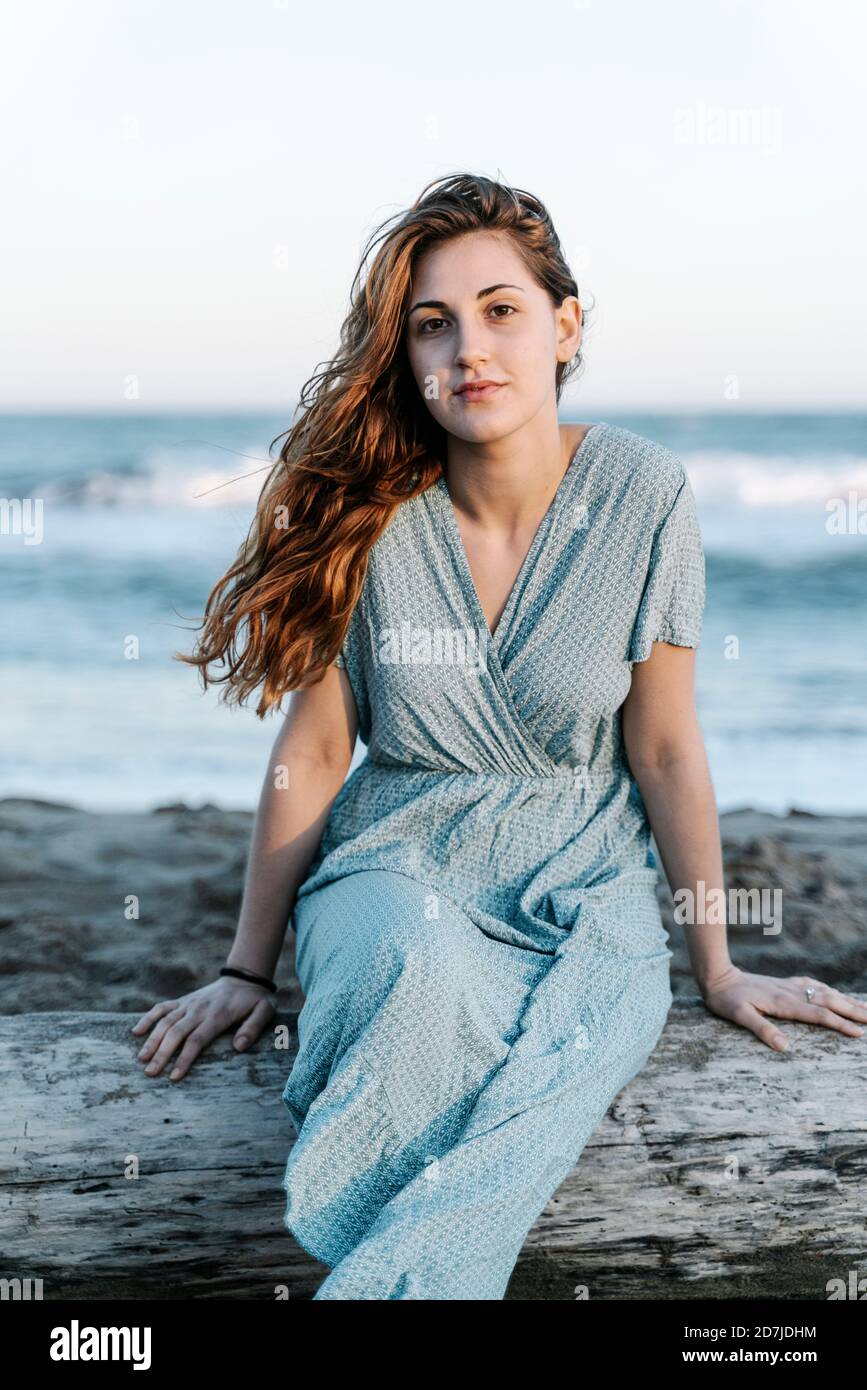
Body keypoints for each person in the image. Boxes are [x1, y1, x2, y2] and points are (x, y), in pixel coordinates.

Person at [132, 172, 867, 1300]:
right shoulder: (364, 512)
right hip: (395, 861)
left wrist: (715, 965)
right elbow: (315, 753)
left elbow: (665, 748)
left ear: (565, 327)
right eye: (433, 325)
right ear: (406, 355)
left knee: (576, 1023)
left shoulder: (643, 494)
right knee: (410, 965)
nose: (468, 348)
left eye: (501, 310)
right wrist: (246, 968)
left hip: (582, 880)